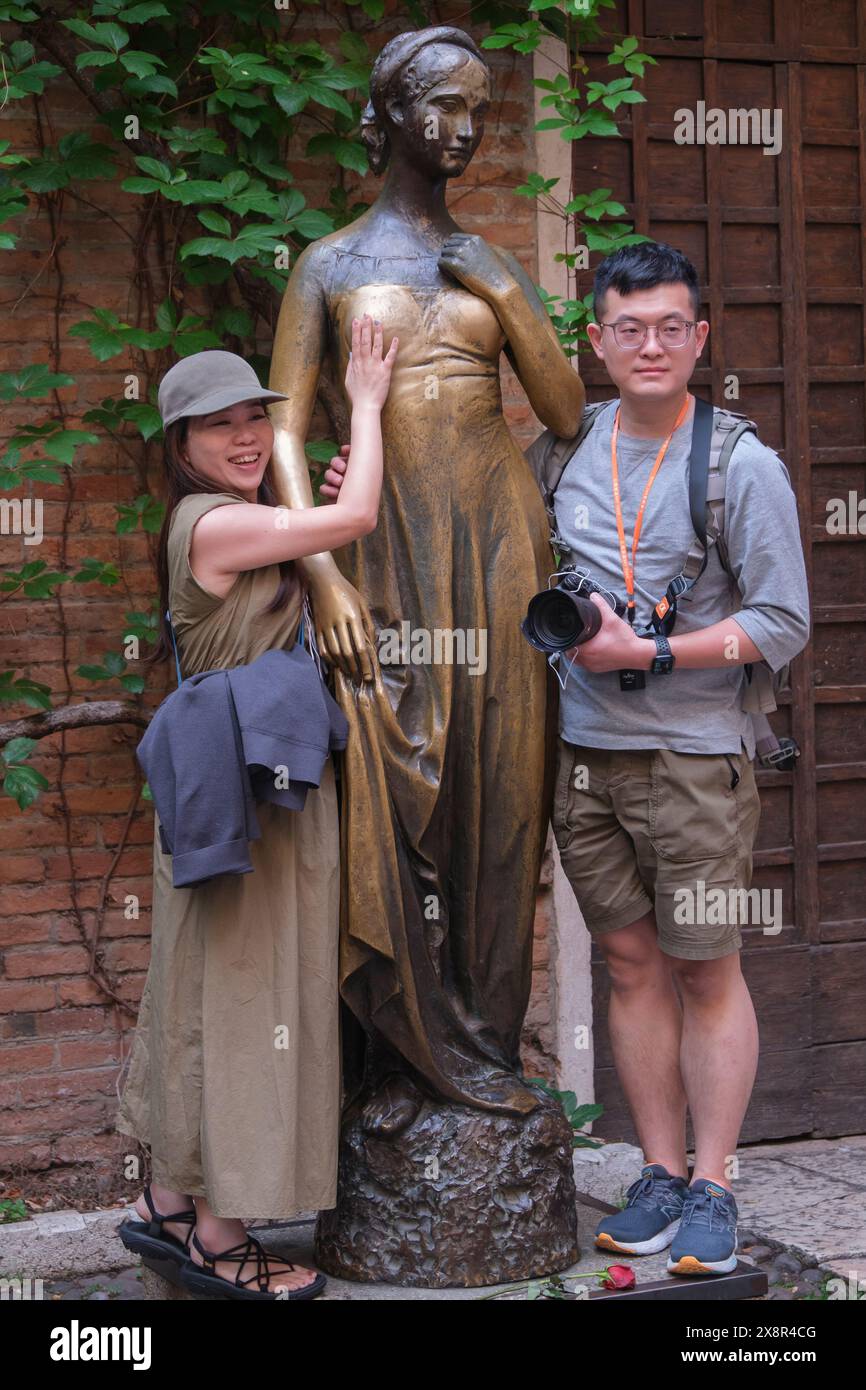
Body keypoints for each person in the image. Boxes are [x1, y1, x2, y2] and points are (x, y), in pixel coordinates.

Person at [265, 26, 585, 1135]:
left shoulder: (481, 261)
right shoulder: (330, 264)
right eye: (440, 106)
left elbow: (562, 412)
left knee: (502, 790)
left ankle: (488, 1050)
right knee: (398, 792)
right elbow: (285, 431)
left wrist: (507, 287)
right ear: (391, 111)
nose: (460, 129)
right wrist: (321, 578)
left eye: (478, 113)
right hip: (380, 547)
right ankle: (403, 1060)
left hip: (496, 540)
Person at [116, 317, 397, 1299]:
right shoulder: (215, 524)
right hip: (248, 797)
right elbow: (357, 518)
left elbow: (323, 555)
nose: (241, 438)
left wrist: (315, 516)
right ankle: (222, 1237)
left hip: (239, 795)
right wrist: (362, 408)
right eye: (215, 426)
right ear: (179, 446)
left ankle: (166, 1205)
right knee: (249, 1002)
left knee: (207, 991)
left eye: (252, 419)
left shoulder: (242, 516)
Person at [547, 242, 810, 1275]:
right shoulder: (569, 444)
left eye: (668, 327)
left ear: (697, 337)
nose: (647, 345)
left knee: (704, 967)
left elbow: (782, 619)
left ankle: (711, 1183)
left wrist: (649, 648)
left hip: (695, 760)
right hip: (584, 759)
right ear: (596, 339)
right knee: (626, 963)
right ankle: (654, 1171)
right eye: (626, 327)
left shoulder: (737, 463)